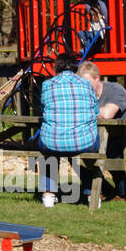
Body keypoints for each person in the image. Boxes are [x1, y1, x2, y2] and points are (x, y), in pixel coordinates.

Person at [35, 52, 100, 206]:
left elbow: (43, 108)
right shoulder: (86, 84)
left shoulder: (47, 85)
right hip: (85, 142)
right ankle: (91, 194)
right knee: (85, 153)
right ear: (75, 67)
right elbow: (96, 111)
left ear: (55, 68)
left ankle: (48, 195)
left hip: (53, 141)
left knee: (49, 150)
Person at [76, 61, 126, 200]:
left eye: (87, 82)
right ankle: (100, 189)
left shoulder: (115, 89)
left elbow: (107, 114)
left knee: (112, 150)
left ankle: (122, 192)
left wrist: (83, 111)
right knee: (72, 151)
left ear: (97, 78)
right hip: (102, 138)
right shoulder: (85, 95)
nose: (84, 86)